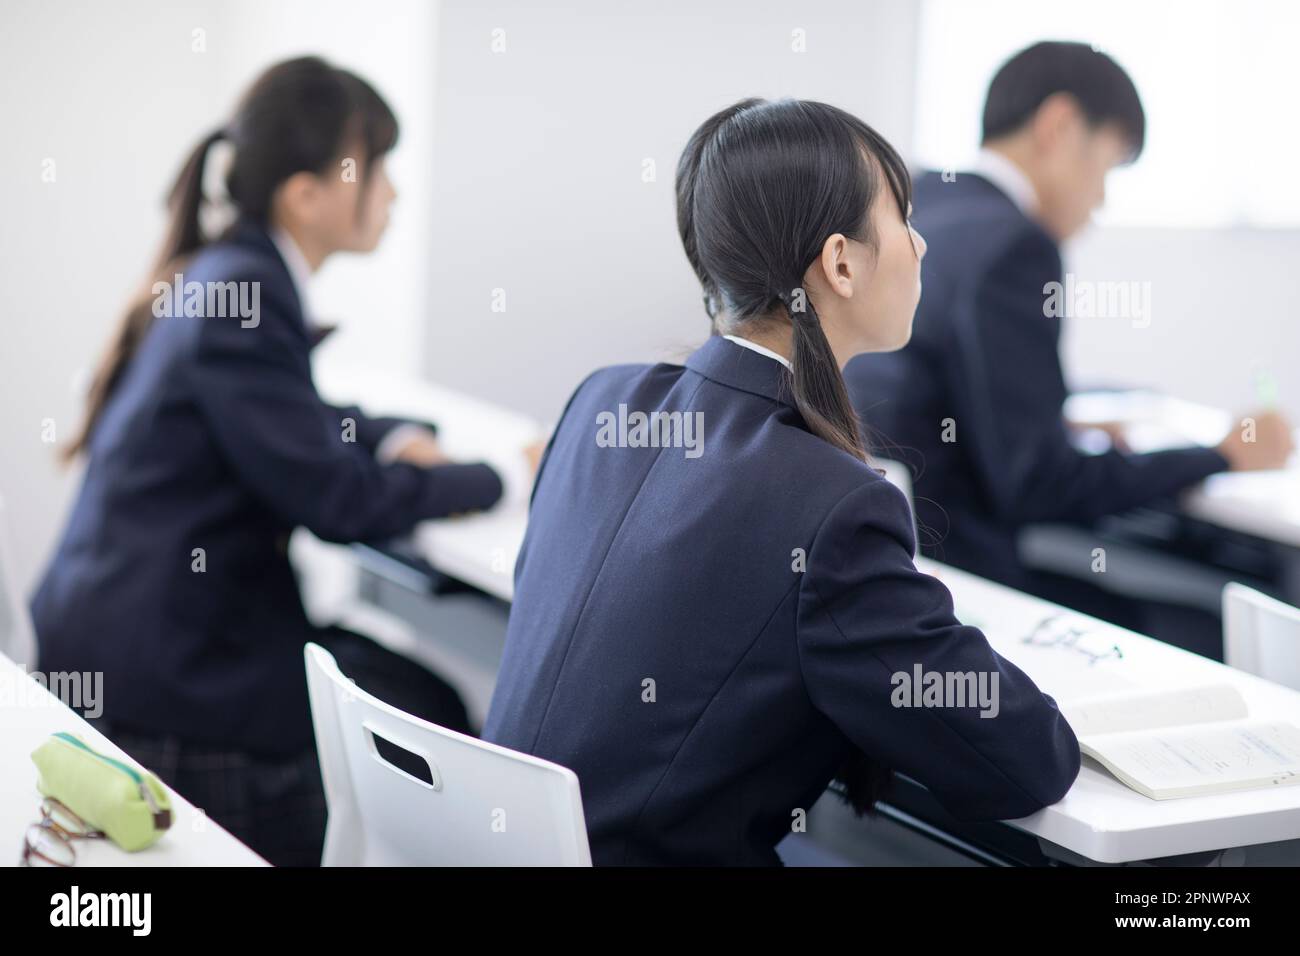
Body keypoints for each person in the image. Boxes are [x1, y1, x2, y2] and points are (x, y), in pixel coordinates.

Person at [482, 98, 1080, 866]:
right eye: (902, 217)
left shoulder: (605, 398)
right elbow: (1030, 761)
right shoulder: (833, 506)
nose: (922, 244)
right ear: (839, 263)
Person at [31, 57, 536, 866]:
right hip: (170, 683)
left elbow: (294, 421)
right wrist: (504, 476)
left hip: (129, 645)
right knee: (431, 709)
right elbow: (337, 499)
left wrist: (389, 433)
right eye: (378, 170)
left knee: (419, 695)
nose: (395, 194)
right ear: (308, 194)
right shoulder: (251, 295)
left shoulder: (226, 275)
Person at [843, 41, 1293, 620]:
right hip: (970, 585)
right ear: (1059, 125)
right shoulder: (1015, 245)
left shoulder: (921, 201)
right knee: (1208, 620)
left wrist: (1059, 416)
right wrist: (1224, 453)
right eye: (1106, 167)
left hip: (902, 563)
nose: (1100, 199)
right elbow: (1042, 482)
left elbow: (937, 387)